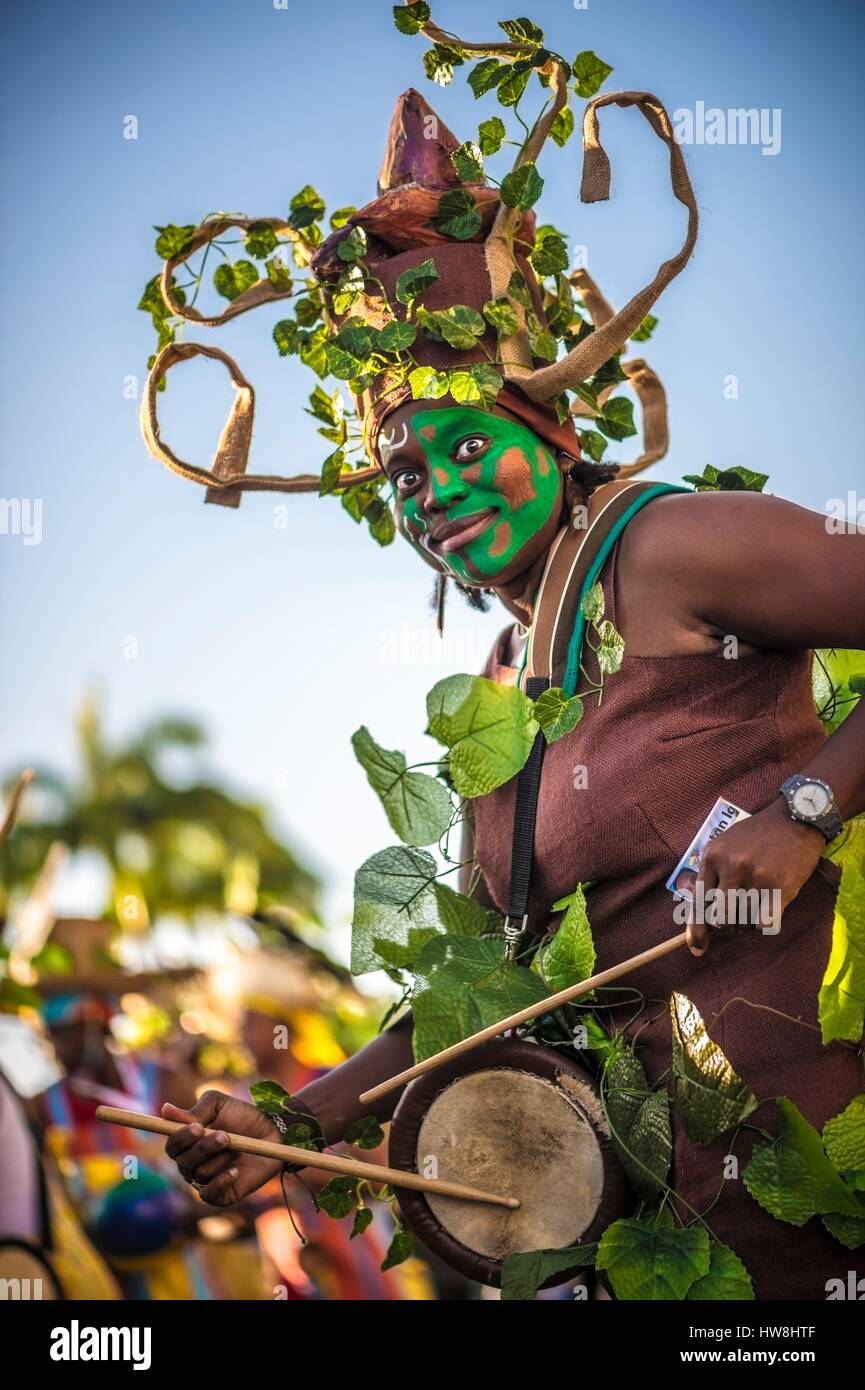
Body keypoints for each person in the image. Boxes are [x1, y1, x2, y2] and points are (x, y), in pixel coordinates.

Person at [147, 69, 865, 1300]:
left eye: (467, 445)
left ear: (555, 430)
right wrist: (288, 1123)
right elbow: (500, 984)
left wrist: (808, 806)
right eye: (406, 475)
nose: (436, 492)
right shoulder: (496, 689)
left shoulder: (669, 547)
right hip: (665, 1248)